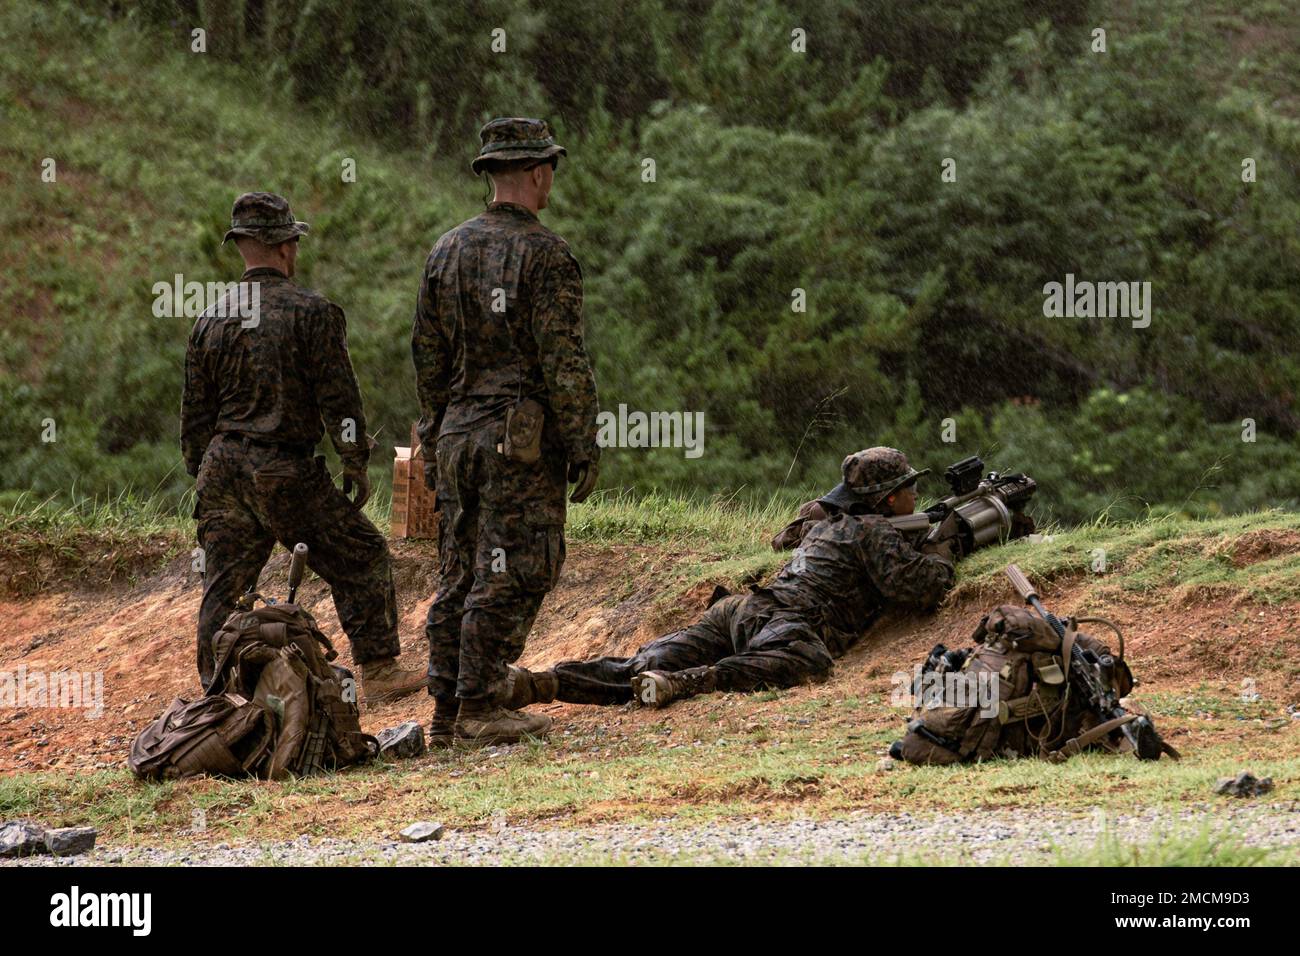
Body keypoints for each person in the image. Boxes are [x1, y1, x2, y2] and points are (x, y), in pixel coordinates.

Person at [181, 192, 426, 703]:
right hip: (283, 469)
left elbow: (195, 419)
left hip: (223, 468)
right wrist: (355, 461)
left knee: (223, 589)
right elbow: (340, 399)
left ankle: (216, 695)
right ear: (287, 246)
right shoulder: (313, 312)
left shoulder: (209, 319)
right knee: (360, 554)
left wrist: (205, 475)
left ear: (241, 247)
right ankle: (379, 670)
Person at [412, 118, 600, 746]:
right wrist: (581, 441)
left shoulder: (445, 250)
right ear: (540, 173)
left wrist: (434, 433)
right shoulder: (548, 255)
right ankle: (483, 701)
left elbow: (427, 357)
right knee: (516, 566)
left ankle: (445, 706)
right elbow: (562, 357)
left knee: (459, 569)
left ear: (490, 175)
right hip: (517, 440)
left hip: (455, 432)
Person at [507, 448, 958, 709]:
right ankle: (689, 682)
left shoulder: (822, 523)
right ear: (890, 498)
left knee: (645, 660)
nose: (917, 497)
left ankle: (544, 682)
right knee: (805, 661)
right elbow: (925, 586)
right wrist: (945, 541)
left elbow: (783, 539)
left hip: (742, 607)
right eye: (911, 490)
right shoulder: (873, 531)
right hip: (789, 620)